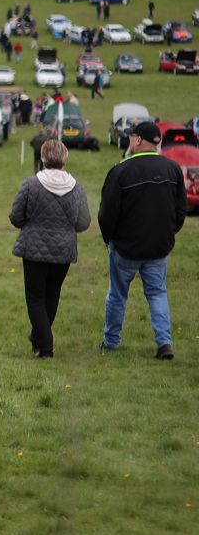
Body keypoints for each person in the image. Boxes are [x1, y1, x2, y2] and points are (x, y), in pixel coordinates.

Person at [97, 121, 186, 358]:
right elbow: (180, 210)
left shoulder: (121, 170)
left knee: (117, 295)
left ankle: (111, 341)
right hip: (159, 247)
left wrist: (110, 238)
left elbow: (107, 213)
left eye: (130, 137)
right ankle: (164, 343)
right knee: (157, 293)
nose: (128, 141)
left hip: (125, 248)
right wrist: (168, 233)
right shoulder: (173, 169)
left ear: (137, 140)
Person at [9, 139, 92, 358]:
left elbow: (15, 217)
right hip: (63, 250)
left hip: (34, 248)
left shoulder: (31, 184)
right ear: (65, 159)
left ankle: (45, 347)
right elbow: (83, 223)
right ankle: (39, 338)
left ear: (43, 158)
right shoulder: (76, 187)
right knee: (52, 294)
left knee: (35, 297)